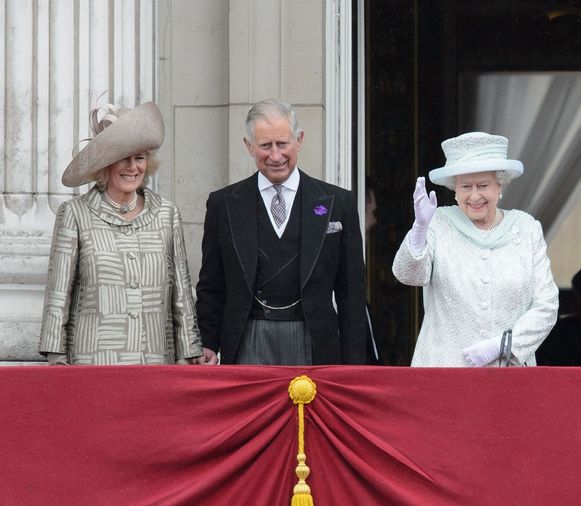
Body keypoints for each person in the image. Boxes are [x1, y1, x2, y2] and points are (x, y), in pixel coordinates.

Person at [195, 99, 367, 365]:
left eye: (282, 144)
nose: (275, 156)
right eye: (265, 146)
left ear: (299, 140)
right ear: (249, 146)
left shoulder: (338, 203)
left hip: (315, 342)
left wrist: (354, 364)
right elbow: (212, 286)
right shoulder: (223, 204)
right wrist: (207, 342)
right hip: (247, 339)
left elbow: (351, 295)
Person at [39, 101, 202, 365]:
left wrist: (189, 352)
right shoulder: (76, 214)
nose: (132, 167)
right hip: (93, 364)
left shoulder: (166, 214)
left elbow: (182, 294)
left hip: (155, 361)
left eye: (139, 158)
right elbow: (59, 293)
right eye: (122, 158)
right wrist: (56, 355)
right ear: (105, 165)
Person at [392, 132, 558, 366]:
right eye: (465, 186)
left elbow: (547, 305)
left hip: (508, 374)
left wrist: (502, 346)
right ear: (454, 189)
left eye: (483, 185)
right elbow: (408, 276)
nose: (474, 195)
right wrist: (419, 230)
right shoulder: (438, 223)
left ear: (500, 185)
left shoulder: (527, 228)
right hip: (443, 373)